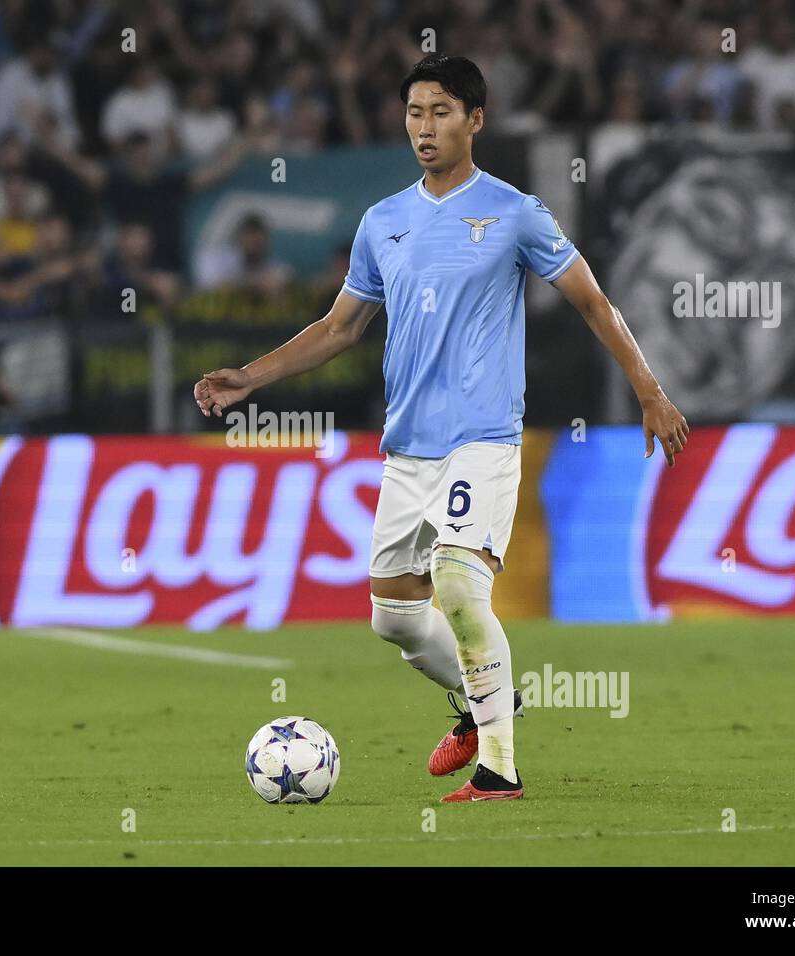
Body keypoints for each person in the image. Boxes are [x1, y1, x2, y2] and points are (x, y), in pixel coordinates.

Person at [193, 54, 688, 803]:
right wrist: (250, 378)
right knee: (393, 617)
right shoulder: (382, 221)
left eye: (441, 113)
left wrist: (649, 390)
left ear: (475, 121)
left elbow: (593, 301)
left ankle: (500, 769)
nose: (424, 127)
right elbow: (338, 328)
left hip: (483, 438)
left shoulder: (516, 212)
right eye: (415, 113)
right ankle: (489, 702)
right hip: (408, 448)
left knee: (458, 588)